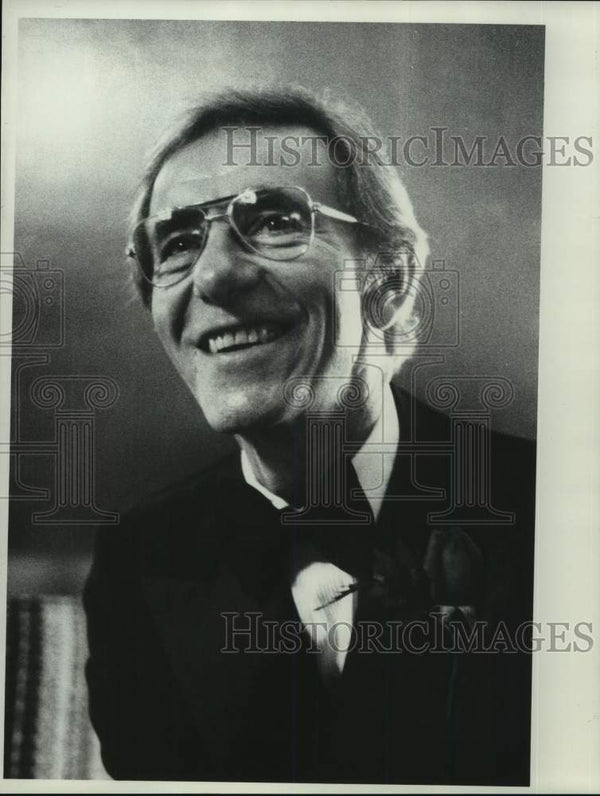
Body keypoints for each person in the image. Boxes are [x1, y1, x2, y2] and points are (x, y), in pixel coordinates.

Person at [84, 87, 535, 785]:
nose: (214, 273)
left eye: (273, 222)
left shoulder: (552, 514)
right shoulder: (137, 563)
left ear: (389, 281)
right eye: (176, 243)